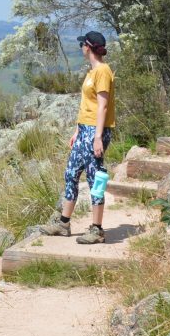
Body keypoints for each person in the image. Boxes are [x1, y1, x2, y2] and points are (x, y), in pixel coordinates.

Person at [39, 31, 115, 244]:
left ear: (87, 47)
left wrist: (97, 137)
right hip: (85, 130)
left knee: (94, 178)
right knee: (71, 174)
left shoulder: (103, 71)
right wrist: (77, 131)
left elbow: (103, 106)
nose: (81, 47)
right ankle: (63, 224)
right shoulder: (92, 72)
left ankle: (97, 230)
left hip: (95, 132)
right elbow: (88, 106)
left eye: (83, 44)